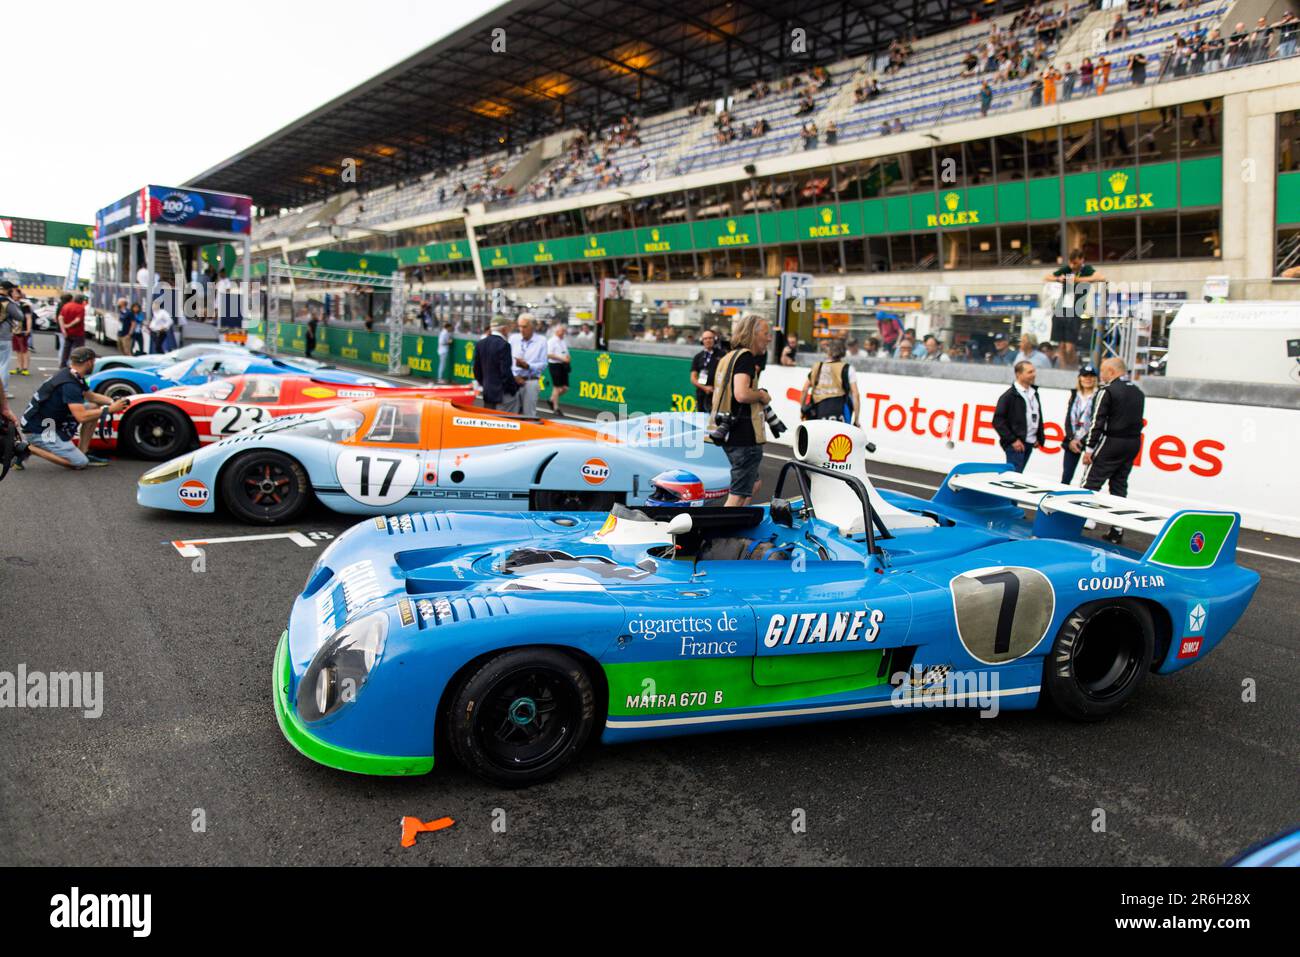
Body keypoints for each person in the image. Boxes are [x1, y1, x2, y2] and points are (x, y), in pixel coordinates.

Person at [21, 346, 127, 469]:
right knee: (79, 462)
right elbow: (81, 417)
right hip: (40, 430)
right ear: (89, 362)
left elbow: (91, 396)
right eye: (94, 361)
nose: (94, 364)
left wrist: (112, 401)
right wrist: (110, 409)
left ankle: (84, 451)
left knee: (93, 407)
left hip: (45, 421)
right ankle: (27, 448)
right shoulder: (70, 385)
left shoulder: (70, 373)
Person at [708, 314, 773, 507]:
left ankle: (737, 527)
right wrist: (761, 395)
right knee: (737, 495)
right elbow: (742, 394)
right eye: (766, 333)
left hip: (729, 431)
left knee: (752, 484)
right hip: (744, 434)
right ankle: (722, 533)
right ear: (753, 333)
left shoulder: (728, 357)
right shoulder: (745, 357)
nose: (769, 338)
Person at [1082, 358, 1146, 544]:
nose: (1101, 375)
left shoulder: (1107, 391)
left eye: (1102, 371)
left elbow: (1097, 422)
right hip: (1133, 443)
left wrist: (1089, 448)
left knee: (1090, 482)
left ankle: (1081, 521)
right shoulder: (1138, 391)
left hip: (1111, 442)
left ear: (1110, 371)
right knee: (1119, 486)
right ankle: (1117, 530)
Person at [993, 361, 1045, 473]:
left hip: (1029, 442)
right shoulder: (1009, 395)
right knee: (1013, 476)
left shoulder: (1034, 393)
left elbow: (1037, 416)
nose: (1034, 374)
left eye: (1034, 371)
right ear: (1018, 374)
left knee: (1018, 475)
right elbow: (997, 420)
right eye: (1030, 372)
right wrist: (1013, 440)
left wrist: (1038, 437)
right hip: (1016, 444)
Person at [799, 338, 859, 426]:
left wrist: (803, 409)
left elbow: (805, 389)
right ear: (843, 352)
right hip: (839, 411)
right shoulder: (848, 368)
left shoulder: (818, 367)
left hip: (817, 411)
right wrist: (856, 419)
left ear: (829, 352)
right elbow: (855, 394)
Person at [1061, 364, 1100, 484]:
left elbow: (1098, 420)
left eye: (1091, 376)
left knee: (1090, 478)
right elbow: (1068, 418)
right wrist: (1071, 438)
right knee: (1066, 476)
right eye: (1085, 376)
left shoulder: (1099, 395)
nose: (1088, 379)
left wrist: (1082, 441)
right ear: (1080, 378)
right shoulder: (1074, 394)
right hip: (1073, 439)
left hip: (1090, 440)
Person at [472, 318, 519, 412]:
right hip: (502, 393)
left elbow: (476, 369)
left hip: (488, 392)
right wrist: (513, 388)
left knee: (489, 421)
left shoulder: (480, 343)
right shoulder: (504, 345)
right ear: (504, 329)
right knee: (506, 422)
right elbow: (505, 372)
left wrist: (484, 383)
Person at [508, 313, 547, 417]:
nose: (521, 329)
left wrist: (528, 366)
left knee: (529, 415)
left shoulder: (541, 341)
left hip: (530, 381)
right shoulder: (513, 339)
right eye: (520, 326)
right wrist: (513, 376)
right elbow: (507, 361)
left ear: (533, 327)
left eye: (525, 326)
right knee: (511, 415)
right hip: (514, 381)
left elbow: (543, 364)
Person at [690, 329, 723, 413]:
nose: (708, 340)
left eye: (710, 338)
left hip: (717, 394)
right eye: (705, 338)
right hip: (701, 394)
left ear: (715, 339)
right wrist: (705, 388)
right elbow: (693, 378)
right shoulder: (698, 357)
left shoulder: (723, 355)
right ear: (702, 341)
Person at [546, 323, 571, 413]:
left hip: (563, 365)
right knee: (556, 387)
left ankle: (551, 399)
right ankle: (556, 407)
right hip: (555, 365)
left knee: (565, 388)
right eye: (562, 331)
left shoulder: (563, 341)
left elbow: (566, 353)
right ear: (557, 331)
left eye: (564, 331)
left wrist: (568, 358)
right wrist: (562, 358)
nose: (563, 333)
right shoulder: (552, 341)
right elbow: (549, 354)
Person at [58, 294, 87, 369]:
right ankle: (76, 366)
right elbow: (78, 320)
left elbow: (60, 317)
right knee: (78, 350)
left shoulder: (67, 305)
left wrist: (63, 329)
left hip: (67, 333)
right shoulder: (81, 308)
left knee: (66, 349)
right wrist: (69, 325)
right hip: (78, 332)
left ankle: (63, 365)